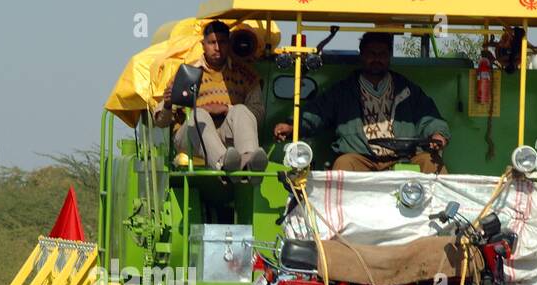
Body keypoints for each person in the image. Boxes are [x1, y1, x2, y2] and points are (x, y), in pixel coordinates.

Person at [275, 31, 449, 173]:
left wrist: (437, 134)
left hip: (405, 157)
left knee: (431, 162)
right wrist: (292, 126)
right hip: (362, 158)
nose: (376, 58)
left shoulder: (407, 89)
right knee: (344, 164)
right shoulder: (343, 90)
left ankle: (445, 214)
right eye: (371, 53)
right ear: (362, 54)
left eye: (382, 54)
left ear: (389, 56)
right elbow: (317, 113)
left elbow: (429, 117)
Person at [155, 20, 267, 172]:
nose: (217, 48)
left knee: (241, 110)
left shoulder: (245, 74)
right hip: (190, 139)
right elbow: (161, 122)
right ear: (203, 44)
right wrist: (168, 104)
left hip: (226, 137)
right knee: (199, 115)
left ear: (229, 44)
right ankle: (223, 164)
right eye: (212, 42)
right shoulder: (188, 73)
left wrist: (227, 109)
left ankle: (249, 162)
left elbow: (258, 115)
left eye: (222, 42)